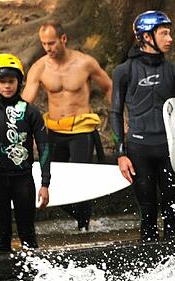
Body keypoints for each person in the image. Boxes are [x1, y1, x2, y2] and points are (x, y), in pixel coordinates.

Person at [110, 10, 175, 242]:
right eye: (164, 33)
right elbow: (115, 112)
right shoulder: (123, 71)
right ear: (147, 37)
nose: (170, 39)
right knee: (147, 210)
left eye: (169, 33)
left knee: (172, 209)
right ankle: (150, 265)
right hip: (138, 149)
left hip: (170, 149)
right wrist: (121, 153)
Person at [22, 21, 112, 232]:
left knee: (80, 180)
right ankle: (84, 217)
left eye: (51, 43)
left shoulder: (85, 63)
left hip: (81, 130)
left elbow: (109, 86)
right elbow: (26, 102)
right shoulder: (40, 67)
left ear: (63, 39)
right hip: (54, 131)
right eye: (43, 43)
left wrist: (121, 120)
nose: (47, 48)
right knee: (51, 182)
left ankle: (84, 226)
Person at [0, 53, 51, 254]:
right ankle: (5, 277)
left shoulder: (31, 112)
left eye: (11, 81)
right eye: (2, 81)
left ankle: (34, 277)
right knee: (2, 234)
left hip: (23, 181)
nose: (7, 86)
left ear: (19, 81)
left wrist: (45, 183)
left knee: (27, 232)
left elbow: (44, 147)